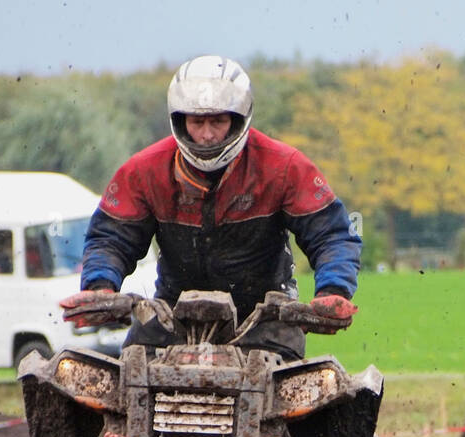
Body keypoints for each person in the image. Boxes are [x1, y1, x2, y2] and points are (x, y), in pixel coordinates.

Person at [61, 55, 361, 356]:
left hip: (266, 319)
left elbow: (331, 234)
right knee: (117, 381)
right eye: (197, 121)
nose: (206, 135)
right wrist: (100, 287)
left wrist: (332, 291)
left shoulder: (284, 167)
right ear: (180, 120)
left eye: (217, 121)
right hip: (172, 316)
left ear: (239, 117)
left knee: (305, 393)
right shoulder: (144, 171)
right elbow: (111, 238)